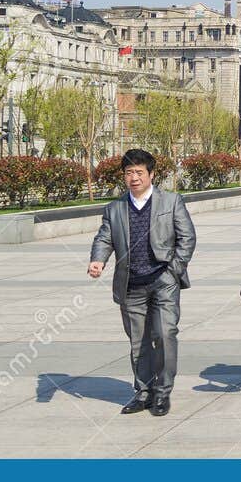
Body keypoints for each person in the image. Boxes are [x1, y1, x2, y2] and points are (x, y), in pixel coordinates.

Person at [86, 149, 196, 418]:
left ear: (151, 174)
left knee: (165, 334)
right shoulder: (115, 208)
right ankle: (144, 392)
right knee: (138, 341)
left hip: (163, 281)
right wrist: (98, 260)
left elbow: (187, 238)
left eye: (139, 172)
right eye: (128, 173)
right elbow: (104, 238)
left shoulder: (171, 201)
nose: (133, 178)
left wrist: (173, 271)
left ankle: (163, 392)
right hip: (131, 284)